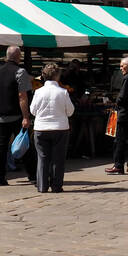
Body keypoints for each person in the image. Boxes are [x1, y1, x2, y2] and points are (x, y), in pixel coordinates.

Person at [0, 46, 36, 186]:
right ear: (18, 57)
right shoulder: (20, 72)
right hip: (16, 115)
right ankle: (33, 175)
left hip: (1, 115)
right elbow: (22, 96)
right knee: (25, 145)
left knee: (1, 147)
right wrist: (26, 116)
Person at [29, 62, 74, 193]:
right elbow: (70, 111)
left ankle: (42, 186)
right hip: (60, 128)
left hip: (41, 128)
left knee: (42, 158)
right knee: (58, 159)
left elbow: (32, 110)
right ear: (57, 76)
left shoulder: (38, 92)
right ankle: (56, 186)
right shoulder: (63, 92)